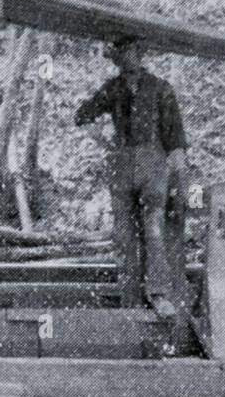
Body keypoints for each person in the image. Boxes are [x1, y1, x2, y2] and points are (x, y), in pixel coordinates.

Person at [75, 44, 188, 318]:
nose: (128, 60)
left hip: (153, 166)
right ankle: (130, 299)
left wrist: (179, 179)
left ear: (141, 55)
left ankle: (159, 294)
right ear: (117, 61)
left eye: (133, 54)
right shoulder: (112, 89)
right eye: (123, 56)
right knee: (124, 235)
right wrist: (104, 141)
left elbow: (175, 140)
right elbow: (82, 115)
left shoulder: (161, 89)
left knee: (154, 230)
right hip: (123, 164)